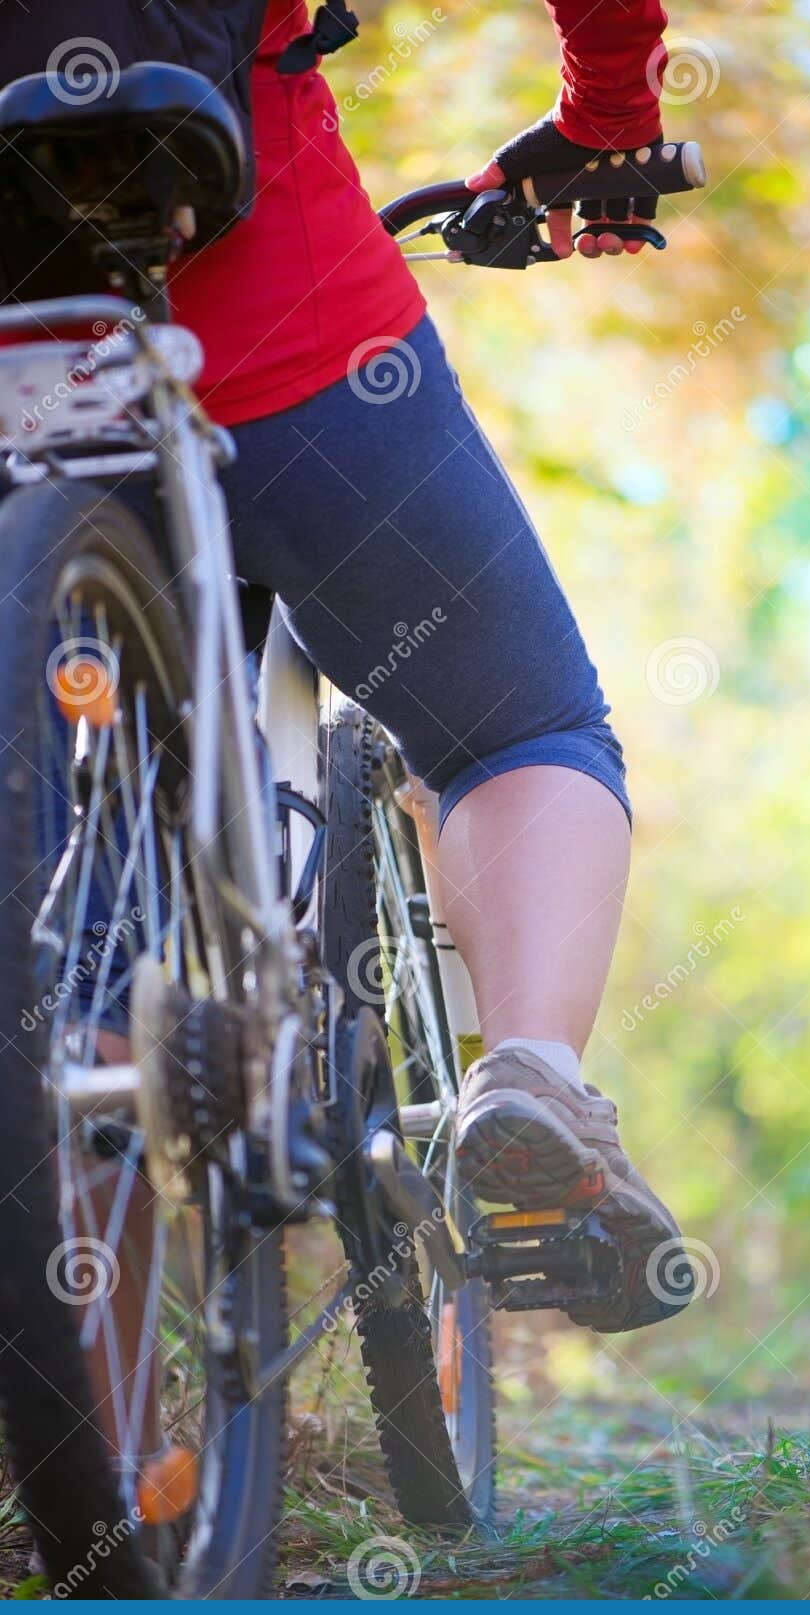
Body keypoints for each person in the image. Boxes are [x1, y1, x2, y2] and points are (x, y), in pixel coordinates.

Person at [22, 0, 695, 1331]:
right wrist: (606, 117)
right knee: (515, 725)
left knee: (78, 967)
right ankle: (530, 1077)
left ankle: (104, 1473)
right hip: (278, 328)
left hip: (17, 379)